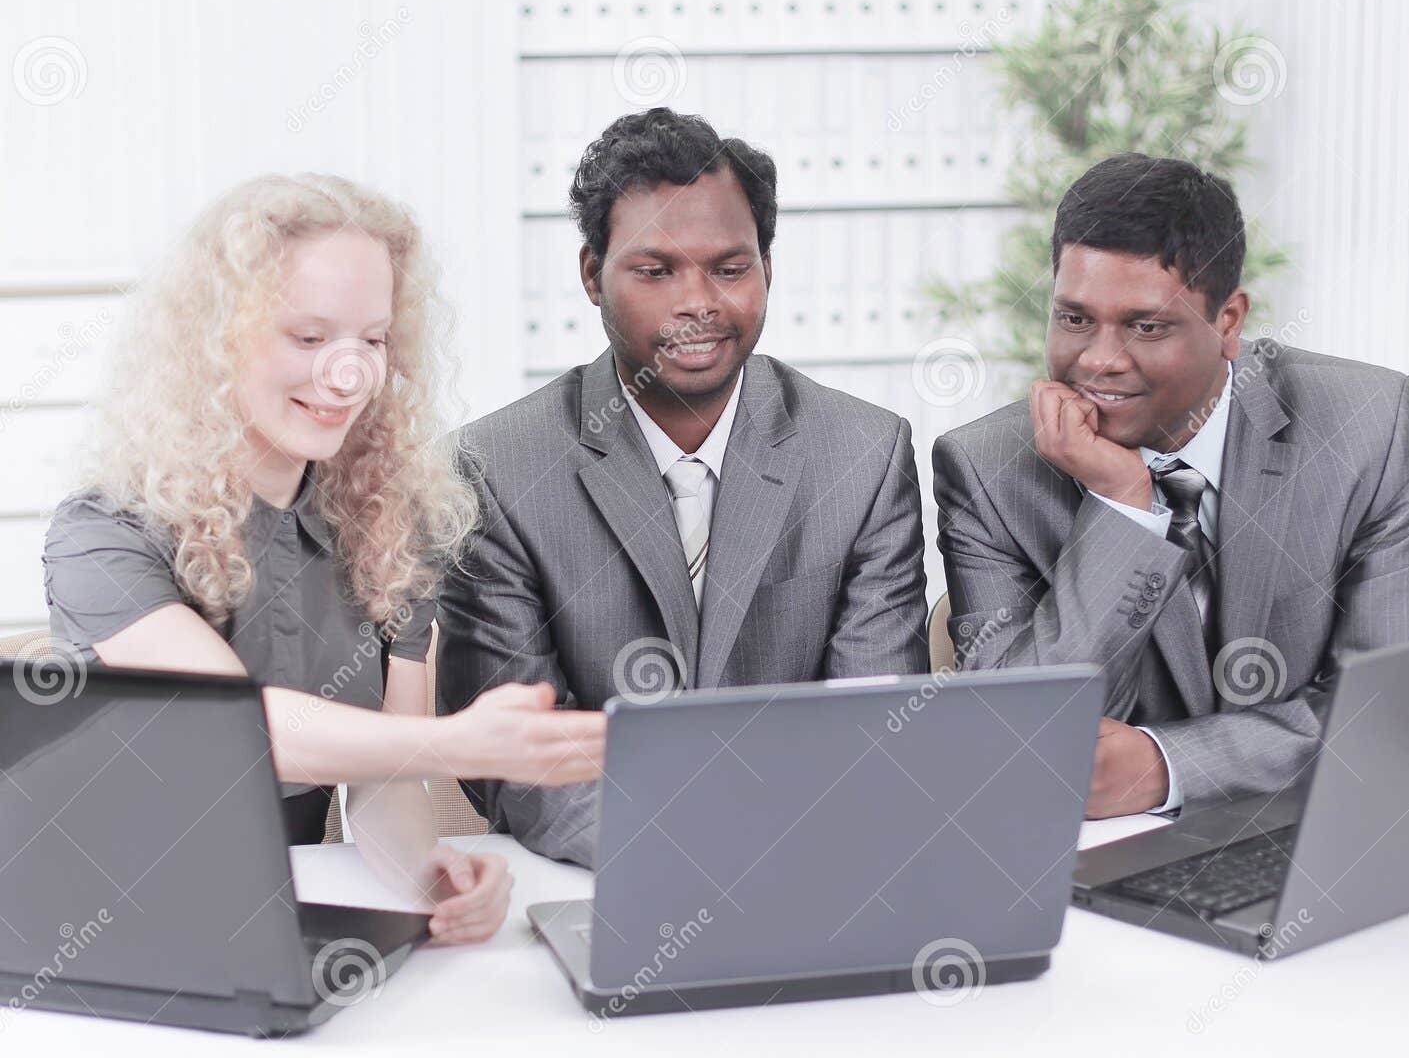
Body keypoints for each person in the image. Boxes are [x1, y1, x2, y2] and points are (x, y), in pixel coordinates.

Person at [42, 174, 605, 943]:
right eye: (308, 338)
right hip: (105, 922)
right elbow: (232, 732)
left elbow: (382, 781)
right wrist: (456, 742)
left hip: (278, 920)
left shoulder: (389, 525)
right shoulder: (102, 534)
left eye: (371, 341)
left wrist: (425, 876)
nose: (347, 376)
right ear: (214, 339)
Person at [438, 108, 929, 866]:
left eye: (729, 268)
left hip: (815, 872)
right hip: (604, 880)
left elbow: (876, 728)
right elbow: (518, 761)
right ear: (591, 275)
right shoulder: (496, 467)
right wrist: (687, 856)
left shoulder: (863, 455)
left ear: (768, 266)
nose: (697, 301)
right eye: (655, 269)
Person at [933, 152, 1409, 817]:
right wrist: (1122, 508)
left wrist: (1168, 766)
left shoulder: (1363, 426)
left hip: (1323, 841)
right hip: (1098, 881)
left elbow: (1403, 718)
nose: (1099, 360)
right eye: (1074, 318)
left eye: (1146, 326)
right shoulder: (987, 472)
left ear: (1229, 322)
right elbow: (1026, 748)